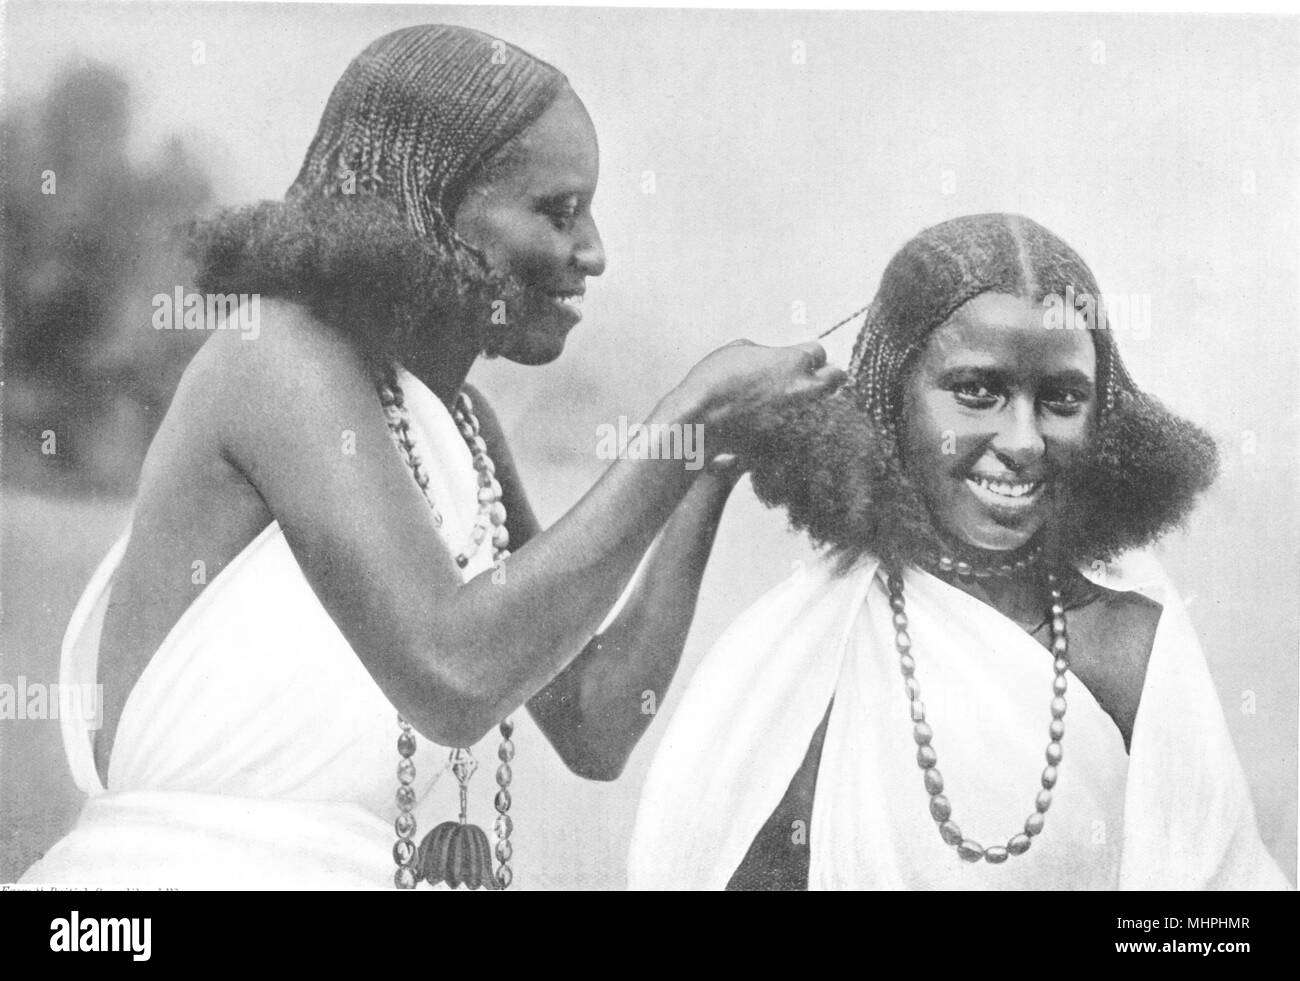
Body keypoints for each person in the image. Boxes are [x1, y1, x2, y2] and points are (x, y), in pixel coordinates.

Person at [21, 24, 841, 889]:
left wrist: (708, 461)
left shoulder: (463, 425)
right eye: (558, 211)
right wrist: (693, 413)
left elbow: (596, 722)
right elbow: (454, 673)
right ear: (429, 208)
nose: (593, 251)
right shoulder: (278, 357)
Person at [629, 213, 1290, 890]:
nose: (1025, 440)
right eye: (978, 391)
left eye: (1062, 398)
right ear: (892, 398)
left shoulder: (1132, 649)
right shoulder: (808, 658)